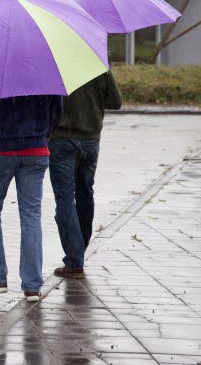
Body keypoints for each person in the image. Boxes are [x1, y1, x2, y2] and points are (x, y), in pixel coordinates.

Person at [0, 89, 63, 302]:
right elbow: (57, 110)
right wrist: (42, 133)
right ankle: (32, 286)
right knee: (31, 214)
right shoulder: (45, 64)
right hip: (36, 148)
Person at [48, 70, 122, 279]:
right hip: (90, 140)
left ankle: (74, 259)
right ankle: (79, 251)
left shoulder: (55, 63)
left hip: (61, 139)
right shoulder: (96, 64)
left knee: (64, 200)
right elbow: (115, 101)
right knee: (85, 193)